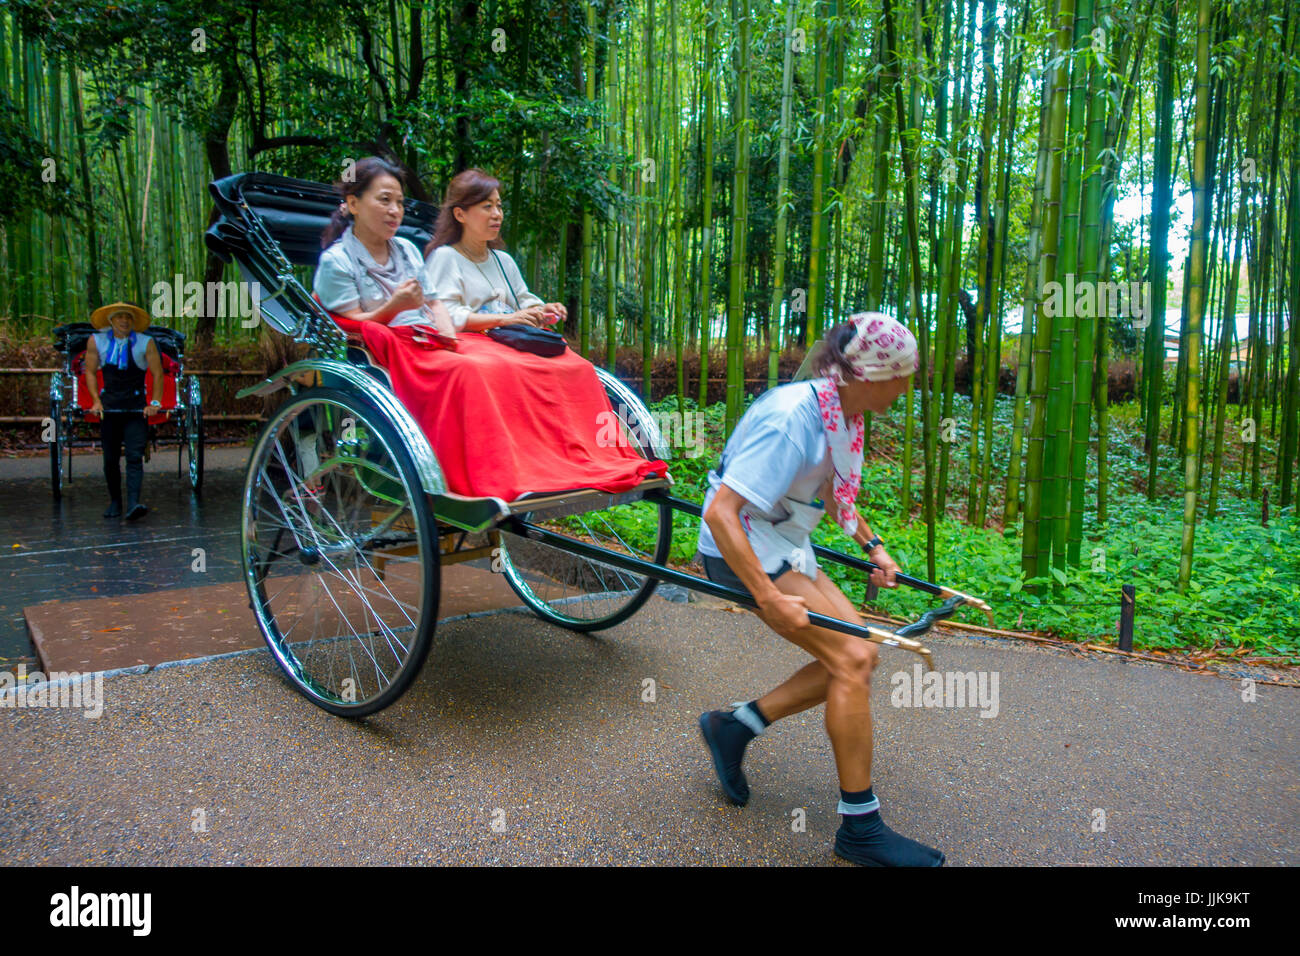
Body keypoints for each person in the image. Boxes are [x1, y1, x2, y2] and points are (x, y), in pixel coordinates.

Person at [695, 311, 944, 867]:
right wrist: (767, 596)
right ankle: (860, 828)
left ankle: (735, 726)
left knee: (861, 655)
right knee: (853, 658)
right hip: (744, 548)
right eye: (903, 376)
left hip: (783, 539)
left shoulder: (842, 412)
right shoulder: (792, 418)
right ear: (872, 374)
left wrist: (871, 544)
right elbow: (721, 513)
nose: (908, 387)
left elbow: (833, 493)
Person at [313, 156, 459, 341]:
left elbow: (434, 303)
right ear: (353, 204)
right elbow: (353, 327)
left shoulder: (408, 249)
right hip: (383, 351)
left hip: (426, 339)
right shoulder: (336, 261)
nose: (395, 210)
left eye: (399, 202)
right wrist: (394, 307)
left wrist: (448, 336)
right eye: (385, 200)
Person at [423, 168, 568, 331]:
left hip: (506, 345)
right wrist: (503, 319)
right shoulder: (445, 257)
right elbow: (444, 314)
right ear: (460, 215)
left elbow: (522, 301)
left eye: (499, 206)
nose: (497, 214)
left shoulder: (503, 260)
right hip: (469, 350)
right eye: (487, 206)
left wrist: (543, 311)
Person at [84, 302, 163, 520]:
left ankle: (134, 503)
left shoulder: (145, 343)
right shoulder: (96, 341)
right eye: (119, 317)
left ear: (133, 321)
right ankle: (115, 502)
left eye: (128, 317)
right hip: (109, 407)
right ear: (111, 320)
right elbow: (89, 372)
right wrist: (95, 401)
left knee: (134, 456)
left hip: (136, 407)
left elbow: (157, 374)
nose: (124, 321)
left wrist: (154, 403)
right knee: (110, 459)